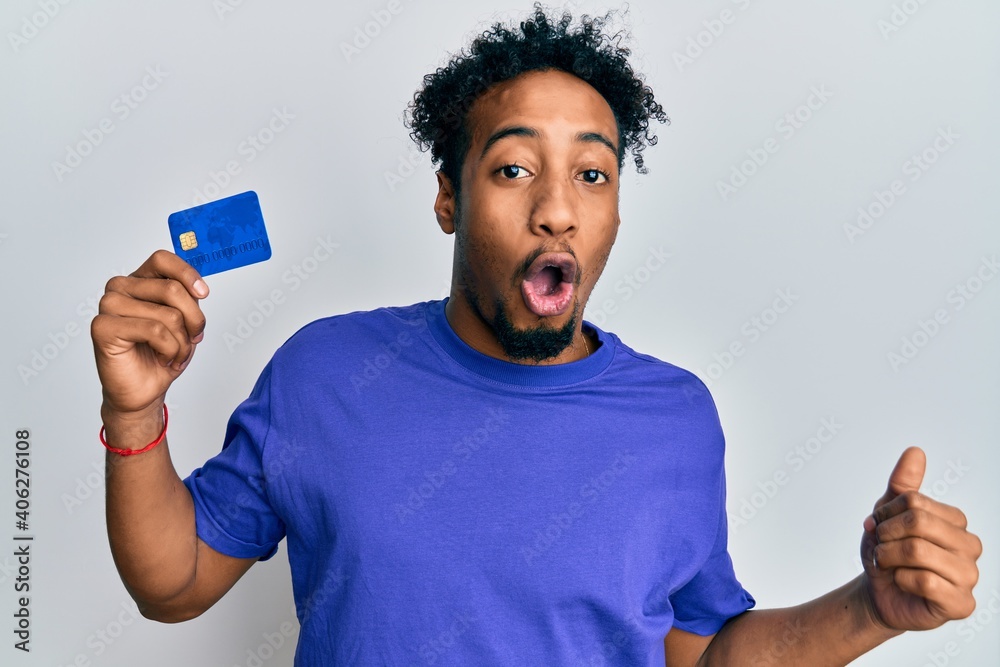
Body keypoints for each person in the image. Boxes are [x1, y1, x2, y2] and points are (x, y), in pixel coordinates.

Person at [90, 4, 981, 665]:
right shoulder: (326, 373)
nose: (557, 208)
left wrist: (873, 604)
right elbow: (173, 583)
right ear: (449, 197)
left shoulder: (674, 416)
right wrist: (134, 413)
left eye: (593, 173)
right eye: (514, 168)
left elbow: (702, 654)